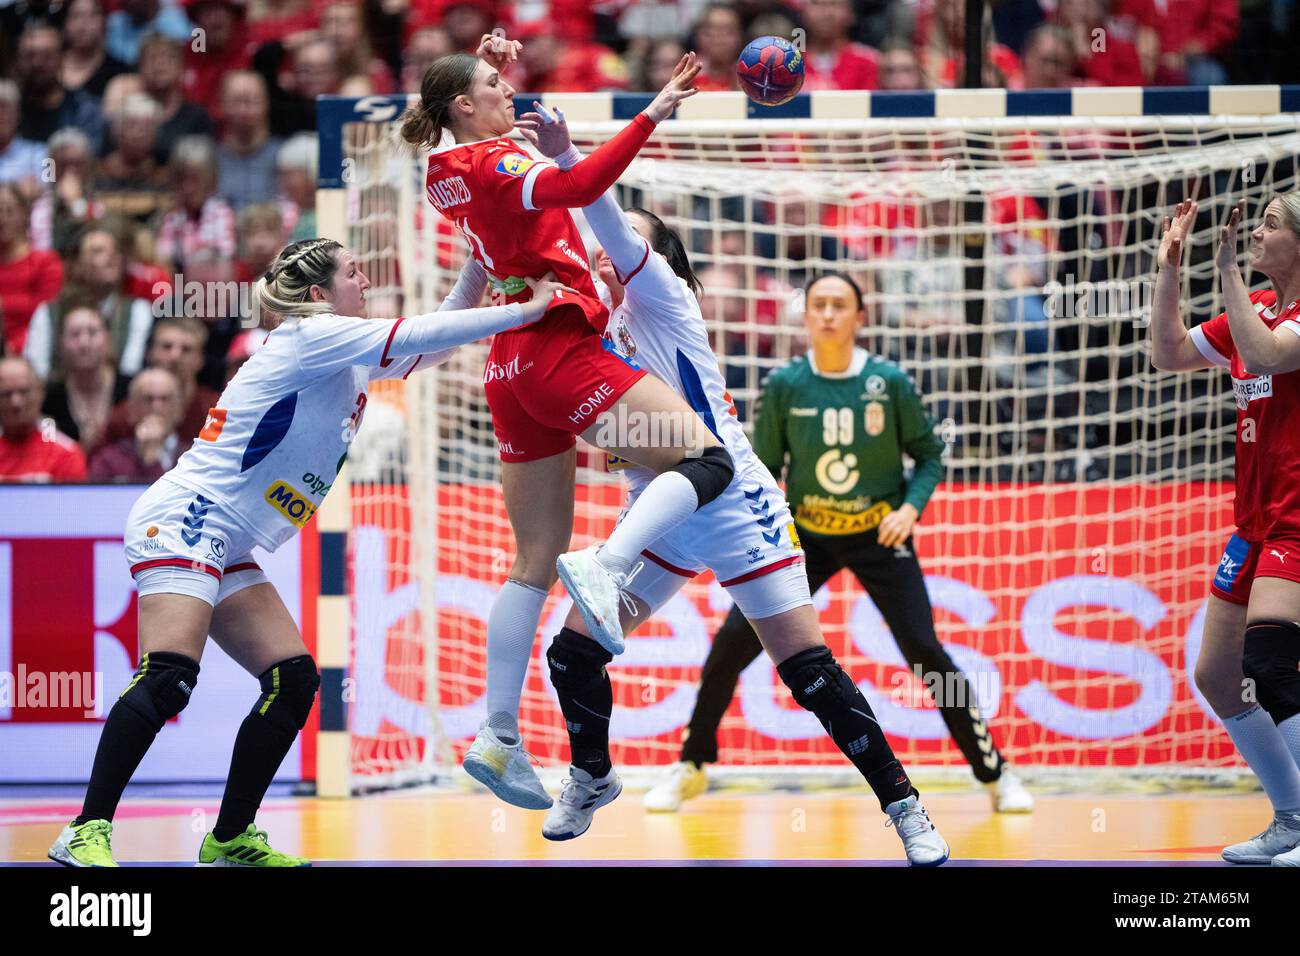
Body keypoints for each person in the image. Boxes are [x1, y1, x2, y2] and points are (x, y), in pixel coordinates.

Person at [513, 106, 952, 863]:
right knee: (571, 653)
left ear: (660, 257)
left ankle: (906, 807)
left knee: (806, 669)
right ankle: (591, 776)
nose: (607, 251)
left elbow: (609, 226)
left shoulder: (665, 300)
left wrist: (565, 155)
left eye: (627, 241)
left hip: (731, 499)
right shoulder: (594, 323)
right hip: (658, 509)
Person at [47, 238, 567, 867]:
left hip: (230, 536)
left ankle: (230, 838)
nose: (365, 279)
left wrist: (481, 264)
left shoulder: (341, 354)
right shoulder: (310, 338)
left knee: (291, 681)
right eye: (353, 273)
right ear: (319, 296)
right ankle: (83, 830)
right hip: (188, 518)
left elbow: (434, 343)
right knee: (170, 678)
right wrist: (524, 311)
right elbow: (421, 329)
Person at [401, 39, 738, 810]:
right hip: (558, 346)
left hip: (505, 366)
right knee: (706, 457)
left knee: (532, 558)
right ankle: (612, 562)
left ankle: (498, 734)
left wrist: (412, 351)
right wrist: (651, 110)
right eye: (493, 83)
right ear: (462, 106)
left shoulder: (444, 176)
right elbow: (582, 182)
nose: (509, 89)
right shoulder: (500, 165)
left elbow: (477, 277)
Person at [642, 269, 1032, 815]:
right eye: (818, 304)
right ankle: (691, 764)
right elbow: (762, 467)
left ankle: (994, 774)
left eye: (839, 305)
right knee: (731, 642)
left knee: (925, 651)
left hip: (879, 534)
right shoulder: (785, 384)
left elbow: (929, 455)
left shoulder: (889, 381)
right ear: (806, 316)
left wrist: (909, 508)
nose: (827, 313)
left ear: (860, 318)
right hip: (807, 536)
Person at [1151, 195, 1300, 868]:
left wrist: (1226, 269)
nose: (1257, 233)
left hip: (1297, 519)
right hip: (1253, 520)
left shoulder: (1284, 322)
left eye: (1271, 224)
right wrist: (1171, 267)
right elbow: (1170, 353)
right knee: (1217, 676)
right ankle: (1291, 818)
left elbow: (1267, 356)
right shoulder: (1257, 312)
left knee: (1267, 663)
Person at [41, 306, 130, 450]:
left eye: (92, 332)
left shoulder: (131, 390)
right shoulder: (47, 399)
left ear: (107, 339)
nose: (84, 343)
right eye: (75, 335)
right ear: (59, 343)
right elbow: (47, 445)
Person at [87, 367, 189, 481]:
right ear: (131, 408)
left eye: (165, 399)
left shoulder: (194, 459)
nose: (156, 407)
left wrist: (151, 459)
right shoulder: (108, 461)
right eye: (148, 399)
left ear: (180, 409)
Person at [0, 182, 64, 357]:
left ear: (24, 214)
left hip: (32, 352)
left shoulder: (44, 262)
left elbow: (47, 317)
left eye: (9, 211)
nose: (3, 218)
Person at [0, 356, 87, 483]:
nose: (16, 402)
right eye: (6, 394)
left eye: (24, 392)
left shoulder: (65, 453)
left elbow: (73, 502)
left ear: (40, 393)